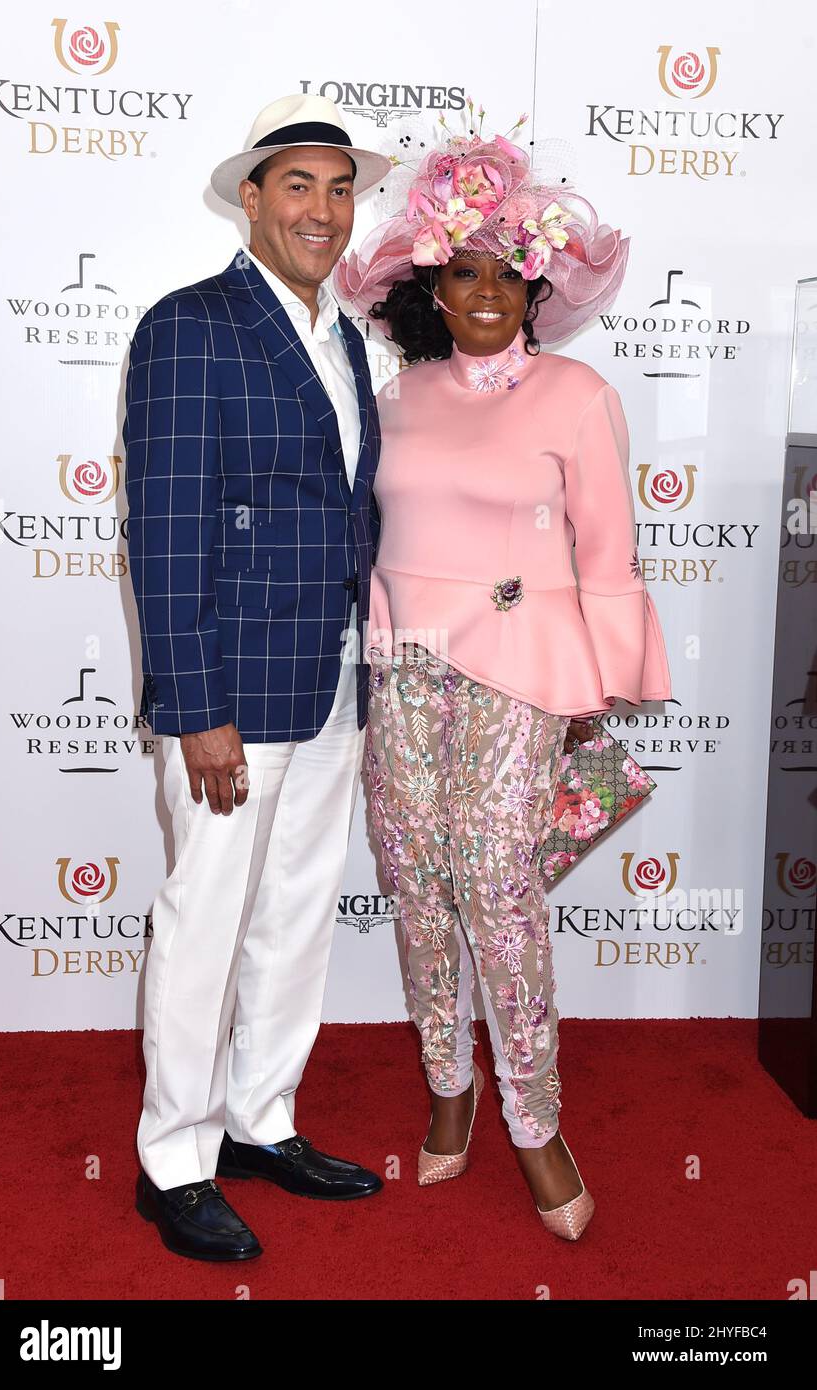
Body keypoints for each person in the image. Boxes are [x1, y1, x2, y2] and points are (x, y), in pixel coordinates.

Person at [334, 105, 672, 1241]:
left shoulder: (578, 398)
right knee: (413, 880)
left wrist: (605, 682)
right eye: (460, 273)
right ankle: (448, 1087)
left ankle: (534, 1122)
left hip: (519, 674)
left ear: (535, 290)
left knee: (499, 891)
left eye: (503, 277)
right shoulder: (395, 398)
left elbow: (610, 552)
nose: (481, 293)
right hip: (404, 674)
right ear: (430, 287)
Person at [123, 93, 391, 1262]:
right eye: (298, 185)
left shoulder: (344, 335)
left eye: (340, 189)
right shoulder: (190, 324)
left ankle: (259, 1120)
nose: (322, 211)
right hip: (232, 691)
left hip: (332, 677)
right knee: (204, 924)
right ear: (252, 196)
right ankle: (172, 1156)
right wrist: (195, 708)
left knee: (292, 919)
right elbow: (167, 528)